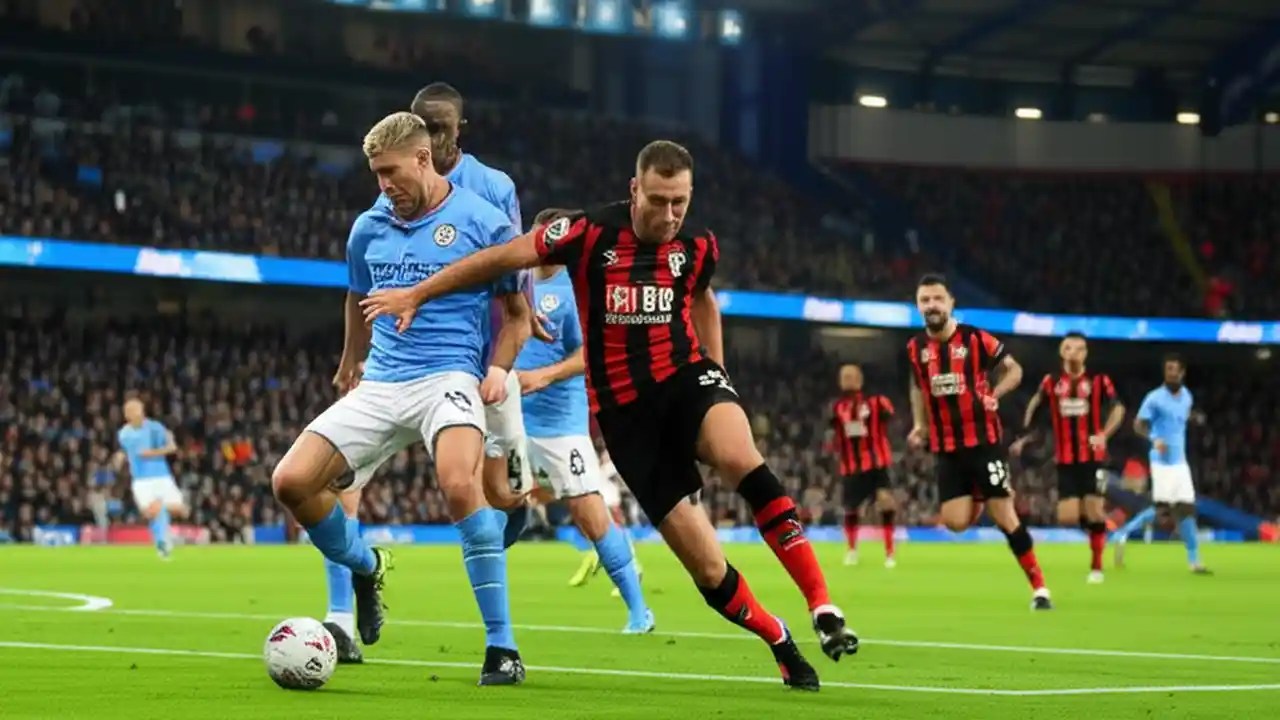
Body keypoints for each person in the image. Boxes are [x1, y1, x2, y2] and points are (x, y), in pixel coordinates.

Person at [360, 139, 860, 691]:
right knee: (709, 570)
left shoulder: (698, 245)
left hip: (686, 382)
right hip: (627, 418)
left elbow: (702, 298)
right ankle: (778, 637)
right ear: (633, 190)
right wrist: (417, 294)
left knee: (742, 456)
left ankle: (822, 605)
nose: (670, 216)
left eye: (680, 202)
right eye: (658, 200)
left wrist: (720, 376)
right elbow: (498, 259)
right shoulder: (586, 233)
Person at [271, 112, 525, 686]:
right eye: (376, 175)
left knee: (461, 485)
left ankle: (501, 646)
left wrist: (498, 368)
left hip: (450, 379)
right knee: (290, 482)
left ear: (423, 159)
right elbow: (356, 295)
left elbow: (517, 316)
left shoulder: (484, 222)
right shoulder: (367, 227)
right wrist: (348, 360)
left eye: (391, 172)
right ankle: (366, 567)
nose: (384, 184)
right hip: (383, 381)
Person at [514, 207, 653, 632]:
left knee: (589, 514)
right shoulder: (514, 281)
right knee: (492, 504)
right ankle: (497, 624)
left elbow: (591, 354)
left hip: (561, 423)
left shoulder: (575, 290)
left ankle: (638, 609)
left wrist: (545, 375)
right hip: (512, 418)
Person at [905, 274, 1053, 610]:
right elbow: (917, 387)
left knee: (1004, 515)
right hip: (946, 448)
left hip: (984, 442)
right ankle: (980, 490)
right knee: (955, 523)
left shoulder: (974, 338)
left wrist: (994, 394)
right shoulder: (915, 348)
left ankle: (1040, 588)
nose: (932, 305)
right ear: (918, 305)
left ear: (951, 302)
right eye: (925, 300)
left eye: (937, 299)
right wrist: (919, 424)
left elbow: (1014, 370)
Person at [1010, 332, 1125, 583]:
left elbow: (1118, 408)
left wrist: (1104, 434)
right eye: (1069, 348)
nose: (1074, 352)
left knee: (1093, 509)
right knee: (1068, 516)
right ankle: (1107, 529)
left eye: (1080, 349)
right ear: (1062, 352)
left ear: (1086, 354)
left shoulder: (1098, 381)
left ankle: (1096, 566)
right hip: (1065, 459)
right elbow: (1036, 405)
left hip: (1093, 457)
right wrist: (1025, 436)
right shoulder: (1051, 382)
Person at [1132, 353, 1211, 574]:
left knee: (1186, 508)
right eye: (1168, 369)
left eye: (1175, 369)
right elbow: (1138, 424)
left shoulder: (1187, 396)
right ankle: (1122, 534)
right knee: (1164, 510)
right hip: (1161, 461)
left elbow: (1181, 417)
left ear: (1182, 372)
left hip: (1180, 461)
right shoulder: (1154, 397)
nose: (1171, 373)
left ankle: (1194, 560)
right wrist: (1153, 439)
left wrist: (1193, 418)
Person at [826, 363, 898, 568]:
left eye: (850, 376)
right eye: (843, 376)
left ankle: (889, 552)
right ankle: (851, 550)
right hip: (851, 467)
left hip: (877, 464)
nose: (846, 380)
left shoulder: (877, 403)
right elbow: (835, 434)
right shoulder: (837, 408)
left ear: (859, 379)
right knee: (851, 510)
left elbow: (889, 418)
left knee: (886, 502)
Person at [114, 397, 188, 560]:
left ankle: (162, 535)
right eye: (133, 411)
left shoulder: (155, 427)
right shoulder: (125, 434)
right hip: (142, 481)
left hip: (163, 476)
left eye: (139, 409)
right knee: (151, 512)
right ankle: (162, 544)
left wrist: (168, 444)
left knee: (181, 510)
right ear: (127, 415)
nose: (138, 413)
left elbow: (170, 447)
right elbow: (141, 452)